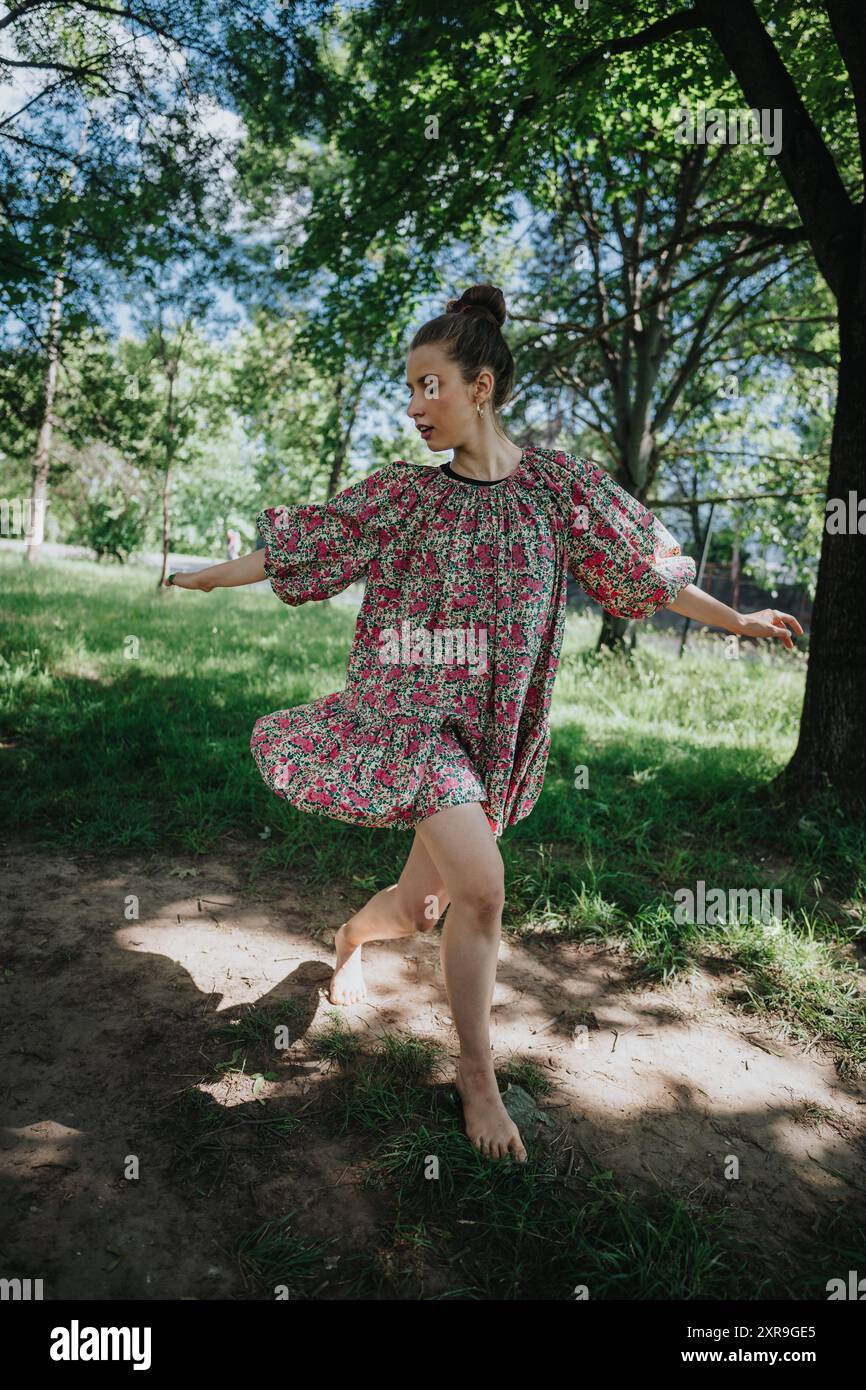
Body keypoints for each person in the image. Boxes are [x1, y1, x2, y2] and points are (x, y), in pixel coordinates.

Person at [165, 283, 802, 1162]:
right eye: (409, 390)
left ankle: (350, 939)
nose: (416, 406)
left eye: (432, 385)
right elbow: (303, 545)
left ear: (483, 387)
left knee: (424, 907)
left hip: (495, 732)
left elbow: (643, 573)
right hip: (411, 716)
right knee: (487, 891)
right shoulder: (405, 496)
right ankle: (476, 1074)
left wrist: (738, 620)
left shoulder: (558, 487)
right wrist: (208, 575)